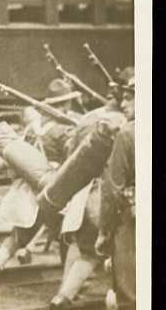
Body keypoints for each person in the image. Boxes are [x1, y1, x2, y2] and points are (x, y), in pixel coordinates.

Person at [0, 79, 81, 294]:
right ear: (64, 106)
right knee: (67, 234)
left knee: (19, 234)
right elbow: (72, 160)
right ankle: (67, 286)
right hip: (52, 185)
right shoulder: (64, 131)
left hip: (26, 188)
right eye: (68, 104)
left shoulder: (30, 129)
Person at [49, 68, 132, 309]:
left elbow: (72, 155)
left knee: (83, 247)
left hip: (83, 191)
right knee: (114, 253)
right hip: (108, 195)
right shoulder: (126, 126)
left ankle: (62, 296)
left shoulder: (87, 119)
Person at [97, 77, 135, 310]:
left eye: (129, 98)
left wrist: (104, 231)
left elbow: (112, 189)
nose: (123, 104)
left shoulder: (127, 135)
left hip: (132, 224)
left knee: (131, 294)